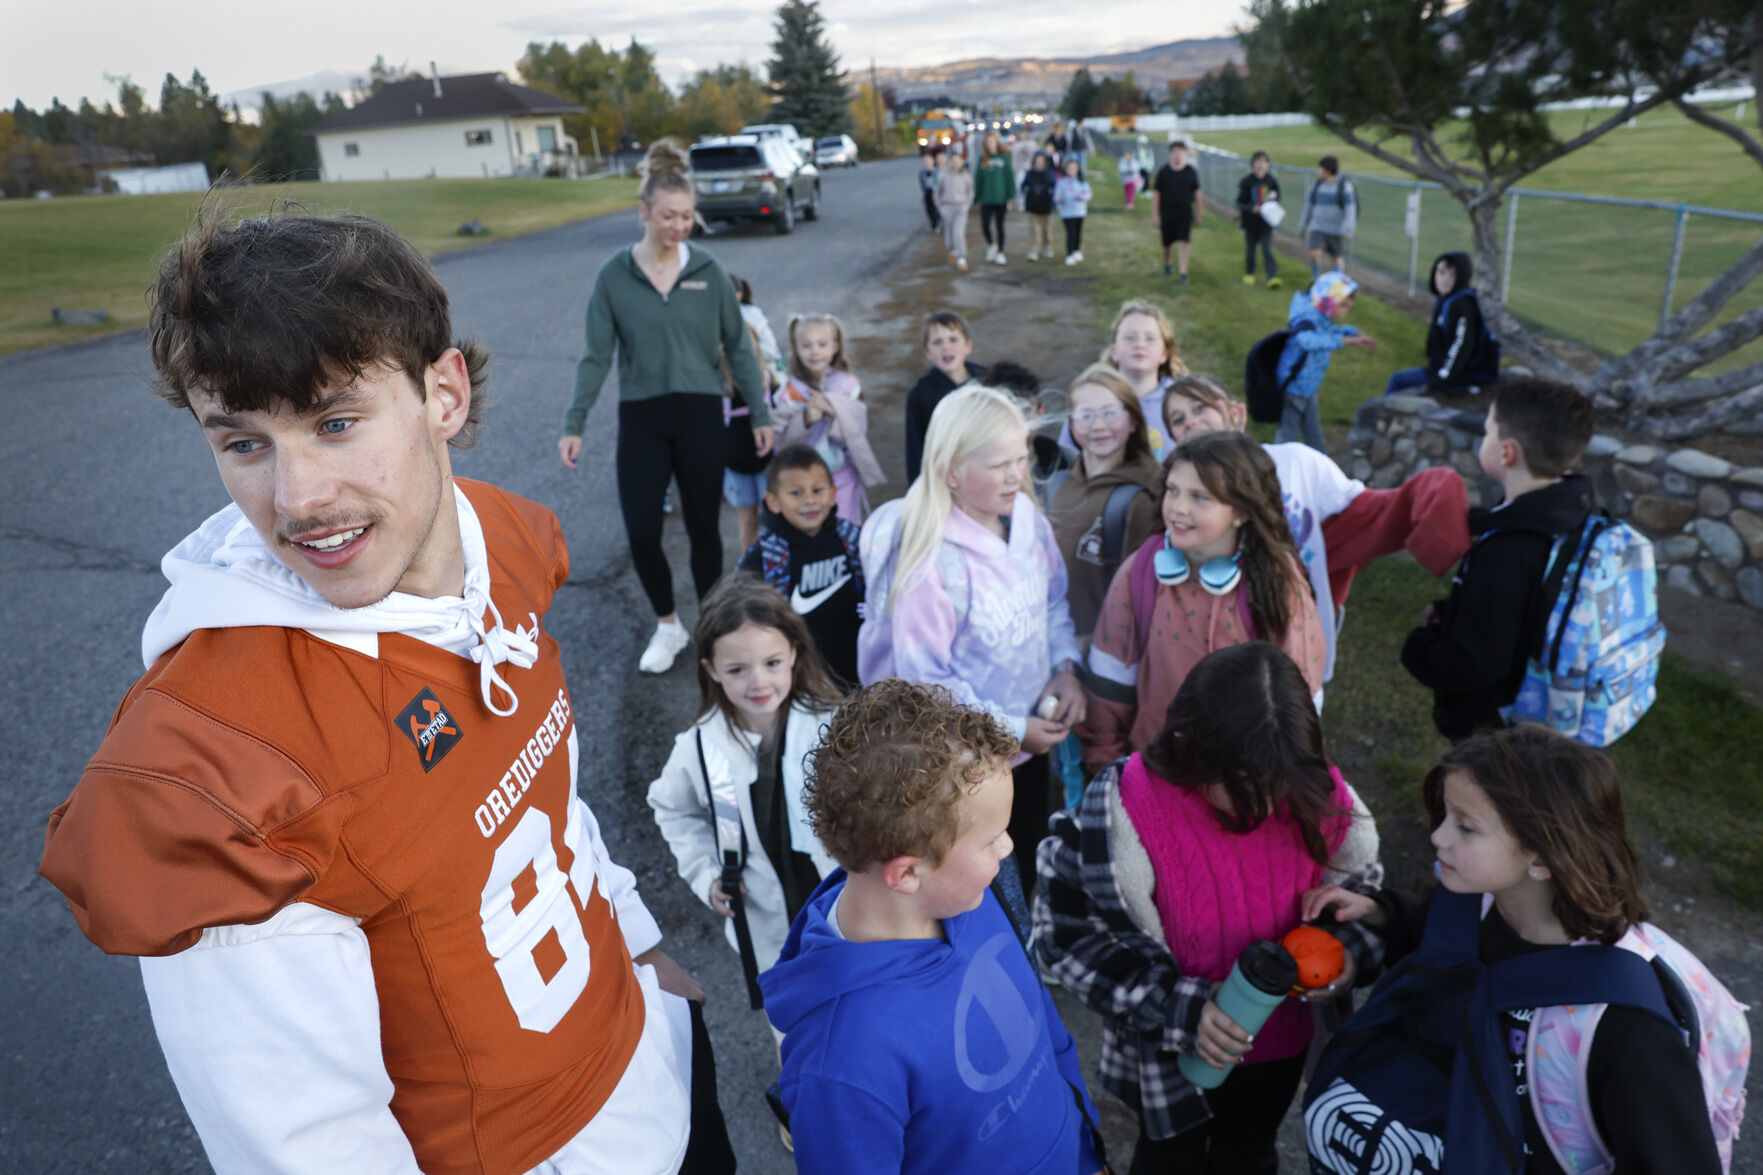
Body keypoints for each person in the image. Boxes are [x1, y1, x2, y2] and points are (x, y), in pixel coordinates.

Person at [40, 208, 732, 1175]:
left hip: (650, 1062)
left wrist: (640, 945)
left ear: (443, 393)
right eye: (242, 443)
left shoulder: (501, 537)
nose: (297, 499)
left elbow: (545, 799)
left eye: (334, 422)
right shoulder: (215, 775)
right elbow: (313, 1150)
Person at [1303, 726, 1726, 1174]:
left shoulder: (1625, 1026)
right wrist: (1382, 915)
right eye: (1445, 815)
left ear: (1542, 858)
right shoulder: (1471, 902)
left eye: (1466, 826)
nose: (1438, 837)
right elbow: (1440, 948)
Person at [1040, 643, 1385, 1175]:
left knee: (1247, 1155)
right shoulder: (1124, 811)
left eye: (1281, 786)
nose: (1270, 804)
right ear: (1192, 745)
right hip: (1169, 1055)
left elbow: (1363, 889)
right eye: (1248, 788)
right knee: (1168, 1160)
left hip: (1278, 1051)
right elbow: (1063, 936)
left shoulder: (1313, 791)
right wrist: (1185, 1009)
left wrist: (1343, 956)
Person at [759, 681, 1107, 1175]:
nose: (1008, 850)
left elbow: (1043, 1023)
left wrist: (1086, 1140)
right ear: (906, 873)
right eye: (991, 839)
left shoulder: (969, 896)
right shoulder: (840, 1064)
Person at [857, 385, 1084, 895]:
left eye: (1021, 459)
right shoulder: (931, 563)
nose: (1016, 475)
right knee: (977, 885)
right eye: (999, 464)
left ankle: (1025, 953)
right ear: (950, 471)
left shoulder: (1028, 521)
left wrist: (1066, 667)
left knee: (1025, 852)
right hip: (963, 768)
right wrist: (1010, 730)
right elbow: (927, 683)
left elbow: (1052, 602)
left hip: (1030, 742)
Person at [560, 139, 772, 675]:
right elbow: (595, 356)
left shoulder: (708, 268)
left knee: (704, 527)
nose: (679, 225)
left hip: (702, 414)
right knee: (641, 530)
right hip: (644, 419)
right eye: (668, 216)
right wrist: (575, 422)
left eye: (686, 216)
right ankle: (669, 626)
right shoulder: (613, 276)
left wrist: (761, 413)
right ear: (644, 213)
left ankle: (711, 627)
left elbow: (740, 347)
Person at [1159, 373, 1469, 694]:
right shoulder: (1176, 497)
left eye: (1200, 408)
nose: (1191, 422)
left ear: (1236, 413)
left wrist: (1427, 494)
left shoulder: (1296, 463)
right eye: (1178, 420)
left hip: (1294, 632)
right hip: (1214, 638)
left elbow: (1361, 516)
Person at [646, 574, 844, 1010]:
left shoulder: (832, 725)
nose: (758, 682)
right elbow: (672, 809)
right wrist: (706, 874)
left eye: (772, 663)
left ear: (793, 651)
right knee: (788, 1020)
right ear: (711, 670)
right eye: (738, 670)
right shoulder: (700, 746)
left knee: (852, 1008)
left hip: (839, 907)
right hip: (766, 925)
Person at [1079, 431, 1327, 773]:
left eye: (1200, 497)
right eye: (1173, 490)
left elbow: (1299, 695)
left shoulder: (1276, 584)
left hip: (1244, 776)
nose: (1178, 508)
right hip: (1154, 767)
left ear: (1241, 510)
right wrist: (1105, 764)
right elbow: (1110, 679)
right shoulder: (1141, 571)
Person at [1401, 378, 1594, 742]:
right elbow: (1530, 600)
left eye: (1487, 431)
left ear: (1506, 453)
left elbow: (1474, 663)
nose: (1483, 439)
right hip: (1534, 708)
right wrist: (1454, 611)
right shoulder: (1569, 513)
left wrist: (1419, 646)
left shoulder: (1506, 550)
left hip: (1493, 732)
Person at [1047, 364, 1164, 641]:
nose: (1098, 426)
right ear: (1072, 425)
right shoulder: (1057, 484)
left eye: (1110, 413)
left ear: (1133, 421)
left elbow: (1144, 597)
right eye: (1085, 415)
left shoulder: (1143, 498)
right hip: (1052, 643)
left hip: (1103, 651)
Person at [738, 445, 867, 688]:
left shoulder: (854, 540)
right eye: (796, 493)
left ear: (832, 494)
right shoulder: (764, 557)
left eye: (817, 490)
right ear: (773, 502)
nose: (809, 500)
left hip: (854, 669)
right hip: (797, 676)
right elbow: (742, 612)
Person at [770, 313, 884, 526]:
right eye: (807, 345)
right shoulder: (788, 391)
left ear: (834, 347)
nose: (815, 351)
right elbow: (782, 441)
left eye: (822, 344)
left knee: (846, 532)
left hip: (842, 476)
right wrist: (805, 419)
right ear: (796, 348)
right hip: (803, 482)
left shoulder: (848, 386)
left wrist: (834, 412)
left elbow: (858, 433)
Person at [1275, 271, 1378, 452]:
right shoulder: (1306, 320)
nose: (1348, 309)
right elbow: (1307, 340)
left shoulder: (1320, 316)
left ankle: (1320, 462)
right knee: (1287, 438)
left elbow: (1328, 331)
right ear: (1327, 303)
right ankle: (1278, 469)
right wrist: (1344, 341)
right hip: (1294, 389)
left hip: (1308, 389)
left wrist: (1352, 333)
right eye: (1344, 305)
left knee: (1313, 434)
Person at [1384, 251, 1501, 396]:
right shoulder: (1445, 300)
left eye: (1452, 274)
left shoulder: (1461, 305)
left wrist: (1442, 378)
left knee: (1397, 380)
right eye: (1441, 272)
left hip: (1461, 376)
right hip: (1442, 369)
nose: (1445, 279)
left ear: (1462, 276)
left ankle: (1381, 416)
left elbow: (1461, 344)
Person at [1096, 298, 1190, 460]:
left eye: (1150, 338)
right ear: (1114, 351)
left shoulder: (1181, 401)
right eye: (1130, 338)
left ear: (1164, 355)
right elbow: (1067, 458)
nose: (1140, 344)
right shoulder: (1092, 399)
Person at [903, 309, 986, 483]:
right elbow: (916, 447)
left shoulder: (986, 382)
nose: (946, 347)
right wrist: (918, 487)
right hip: (945, 476)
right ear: (927, 352)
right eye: (937, 342)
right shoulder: (921, 394)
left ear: (968, 346)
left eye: (953, 339)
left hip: (984, 467)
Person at [721, 319, 777, 555]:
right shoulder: (719, 384)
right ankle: (749, 570)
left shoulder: (769, 376)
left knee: (773, 520)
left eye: (746, 340)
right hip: (735, 466)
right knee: (747, 521)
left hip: (769, 464)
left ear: (756, 342)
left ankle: (776, 566)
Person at [1152, 139, 1202, 281]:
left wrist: (1198, 213)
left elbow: (1198, 194)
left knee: (1183, 242)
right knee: (1167, 243)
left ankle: (1183, 273)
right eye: (1174, 152)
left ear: (1185, 154)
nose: (1177, 155)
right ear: (1170, 154)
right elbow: (1157, 195)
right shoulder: (1163, 172)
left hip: (1185, 214)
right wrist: (1156, 215)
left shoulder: (1190, 172)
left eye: (1180, 152)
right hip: (1167, 213)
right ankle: (1168, 262)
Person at [1298, 155, 1356, 277]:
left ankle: (1337, 284)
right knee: (1314, 254)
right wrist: (1303, 226)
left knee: (1336, 259)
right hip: (1317, 228)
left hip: (1335, 230)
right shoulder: (1316, 185)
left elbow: (1350, 210)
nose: (1317, 171)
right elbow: (1308, 206)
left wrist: (1348, 230)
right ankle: (1316, 280)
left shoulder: (1344, 186)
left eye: (1320, 168)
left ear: (1328, 170)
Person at [1234, 149, 1283, 289]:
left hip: (1266, 223)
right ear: (1252, 164)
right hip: (1250, 223)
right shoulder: (1246, 182)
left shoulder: (1271, 181)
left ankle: (1272, 276)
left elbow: (1277, 198)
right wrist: (1251, 208)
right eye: (1258, 161)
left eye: (1264, 161)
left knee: (1267, 249)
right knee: (1251, 249)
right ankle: (1250, 273)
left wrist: (1271, 207)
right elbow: (1239, 202)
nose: (1261, 165)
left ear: (1268, 164)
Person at [976, 130, 1015, 265]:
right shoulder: (982, 160)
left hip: (1001, 199)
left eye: (993, 142)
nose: (990, 145)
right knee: (985, 225)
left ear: (997, 143)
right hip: (987, 199)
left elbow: (1009, 178)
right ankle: (992, 244)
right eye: (988, 143)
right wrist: (976, 198)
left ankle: (1000, 252)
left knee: (1000, 226)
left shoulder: (1003, 158)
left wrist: (1011, 196)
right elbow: (978, 180)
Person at [935, 148, 975, 272]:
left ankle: (962, 257)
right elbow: (937, 193)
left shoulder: (966, 176)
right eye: (953, 160)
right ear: (950, 162)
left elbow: (970, 192)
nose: (956, 163)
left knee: (958, 233)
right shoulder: (943, 175)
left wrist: (966, 206)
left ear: (962, 162)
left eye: (958, 160)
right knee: (949, 232)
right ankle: (952, 250)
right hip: (947, 207)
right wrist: (941, 207)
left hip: (961, 207)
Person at [1021, 150, 1059, 261]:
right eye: (1037, 161)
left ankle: (1047, 246)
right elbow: (1024, 186)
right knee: (1034, 229)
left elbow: (1055, 187)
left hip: (1046, 206)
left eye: (1041, 161)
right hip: (1033, 206)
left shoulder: (1050, 174)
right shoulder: (1030, 174)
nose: (1039, 164)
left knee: (1047, 229)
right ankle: (1034, 249)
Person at [1055, 156, 1093, 266]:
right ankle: (1070, 253)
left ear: (1077, 170)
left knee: (1077, 232)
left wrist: (1083, 197)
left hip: (1079, 211)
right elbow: (1056, 196)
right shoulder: (1061, 182)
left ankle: (1077, 250)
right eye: (1069, 168)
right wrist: (1059, 199)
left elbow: (1088, 194)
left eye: (1074, 168)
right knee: (1070, 233)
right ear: (1066, 170)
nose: (1071, 170)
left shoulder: (1082, 182)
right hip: (1067, 212)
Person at [918, 149, 942, 233]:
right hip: (928, 193)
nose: (927, 163)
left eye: (929, 161)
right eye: (925, 161)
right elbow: (923, 184)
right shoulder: (922, 172)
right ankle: (934, 225)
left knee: (937, 210)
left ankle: (939, 223)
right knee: (929, 210)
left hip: (936, 192)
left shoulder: (937, 171)